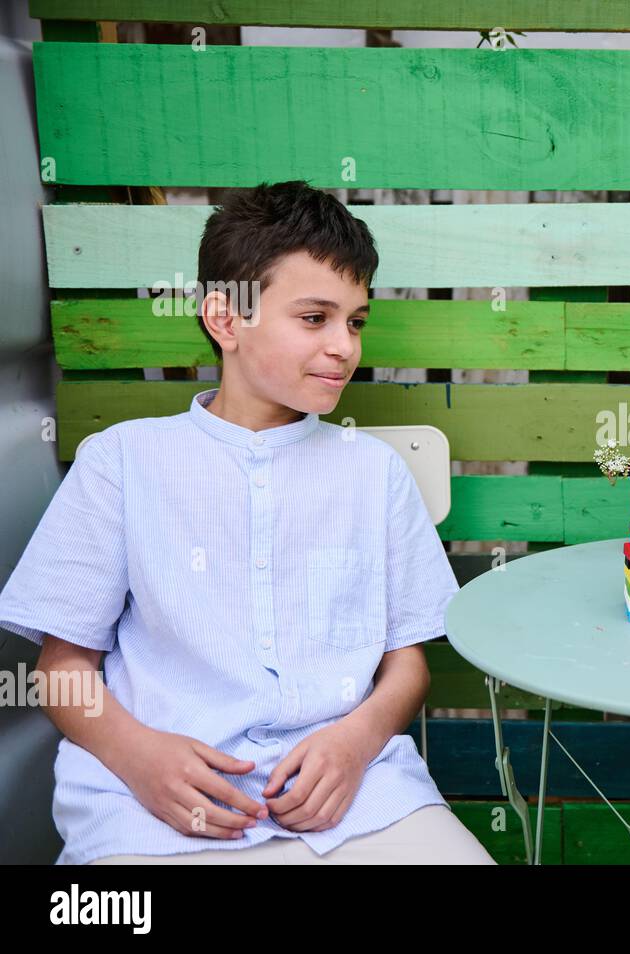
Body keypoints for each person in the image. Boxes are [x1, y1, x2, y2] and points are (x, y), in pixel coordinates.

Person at [0, 181, 495, 864]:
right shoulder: (122, 462)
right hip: (157, 809)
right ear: (226, 319)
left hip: (359, 798)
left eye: (356, 321)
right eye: (315, 317)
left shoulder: (373, 473)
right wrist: (141, 756)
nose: (344, 346)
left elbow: (406, 662)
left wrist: (355, 742)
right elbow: (61, 669)